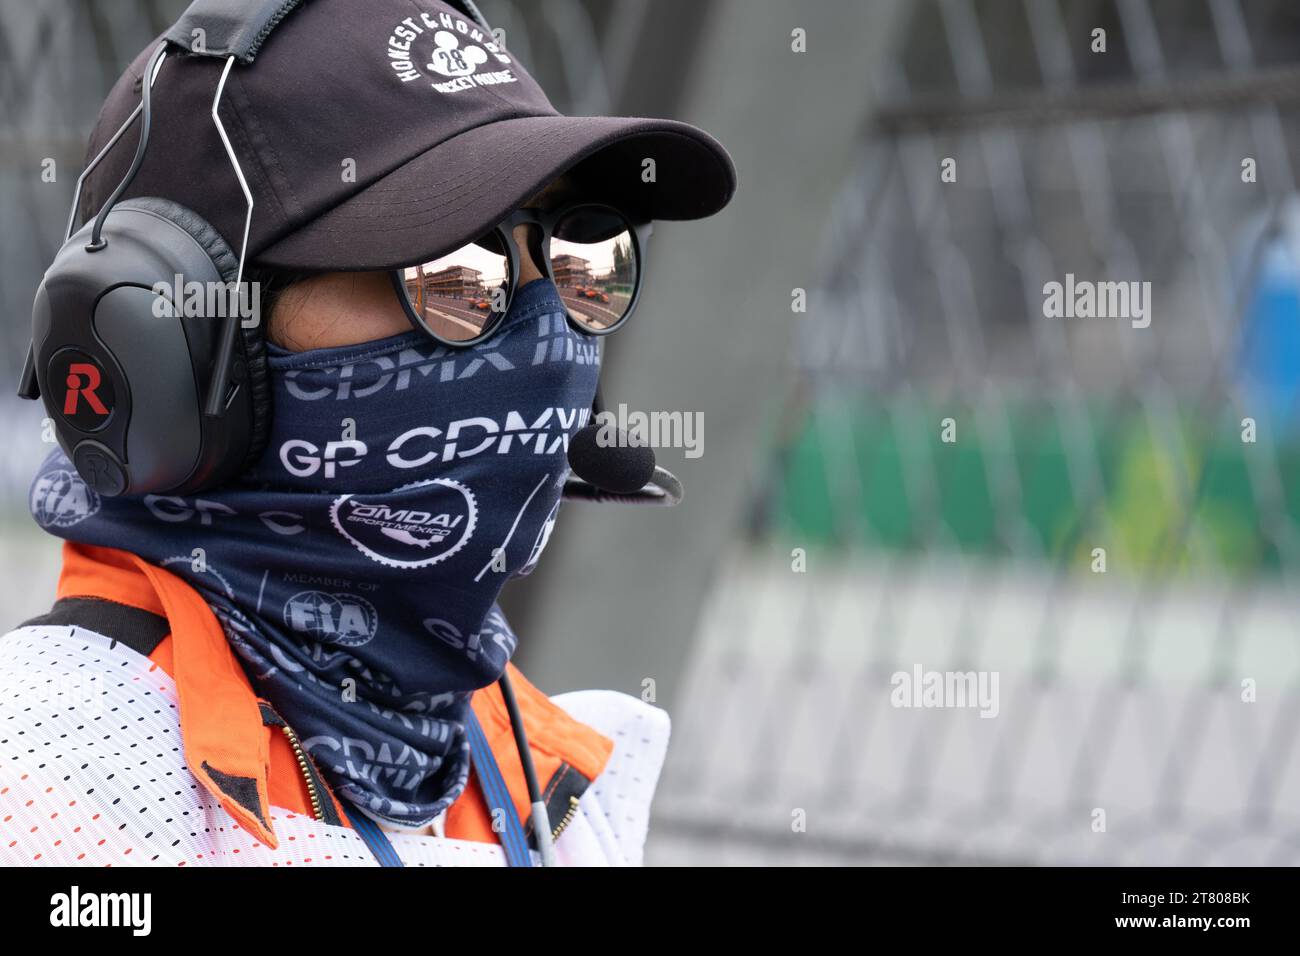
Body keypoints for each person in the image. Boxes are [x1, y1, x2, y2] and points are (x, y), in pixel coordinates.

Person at [1, 0, 734, 866]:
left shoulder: (541, 777)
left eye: (579, 260)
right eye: (455, 267)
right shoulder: (52, 781)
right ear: (171, 347)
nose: (547, 339)